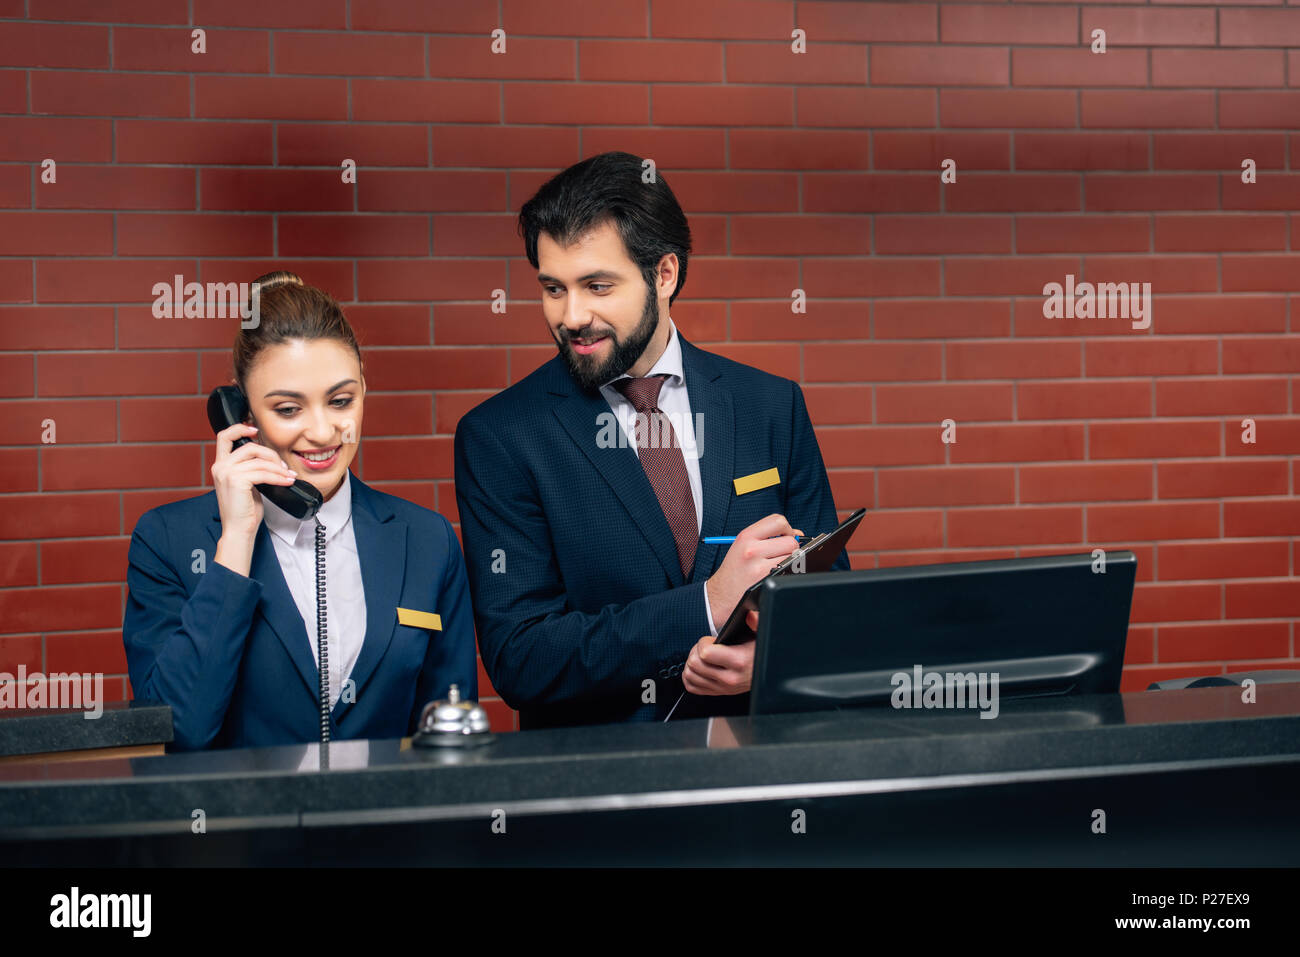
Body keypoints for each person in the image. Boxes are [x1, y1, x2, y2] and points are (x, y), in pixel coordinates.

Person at [454, 152, 848, 729]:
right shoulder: (502, 437)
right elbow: (523, 659)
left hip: (762, 773)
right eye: (553, 288)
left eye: (597, 285)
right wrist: (706, 606)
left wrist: (769, 659)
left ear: (664, 275)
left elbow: (829, 596)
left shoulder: (770, 405)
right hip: (601, 791)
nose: (571, 315)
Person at [124, 273, 476, 750]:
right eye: (288, 409)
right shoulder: (167, 539)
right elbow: (179, 729)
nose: (323, 431)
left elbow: (450, 734)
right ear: (241, 414)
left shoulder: (428, 539)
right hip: (237, 822)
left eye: (340, 401)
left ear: (364, 389)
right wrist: (235, 543)